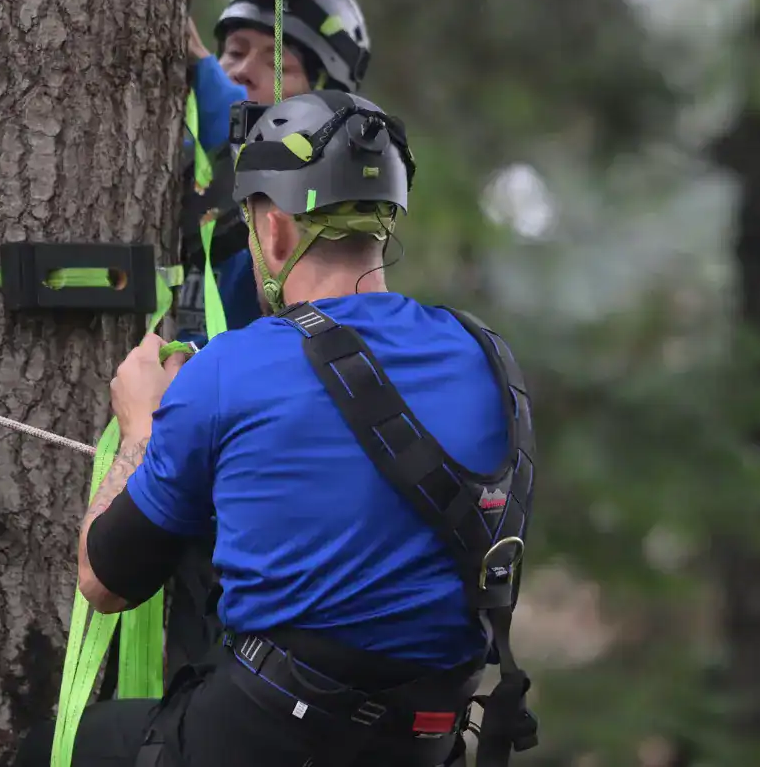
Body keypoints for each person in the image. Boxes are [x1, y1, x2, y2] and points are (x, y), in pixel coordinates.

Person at [29, 91, 540, 767]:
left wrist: (141, 430)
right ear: (384, 221)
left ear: (271, 228)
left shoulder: (231, 368)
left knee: (57, 749)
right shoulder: (488, 356)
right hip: (425, 740)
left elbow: (105, 579)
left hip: (268, 734)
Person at [171, 0, 374, 348]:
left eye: (278, 64)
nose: (243, 71)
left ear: (323, 103)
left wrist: (219, 97)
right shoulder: (188, 149)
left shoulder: (334, 203)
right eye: (233, 52)